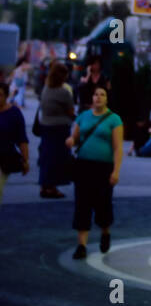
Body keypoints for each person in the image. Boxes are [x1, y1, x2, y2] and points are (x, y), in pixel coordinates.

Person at [67, 84, 123, 260]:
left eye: (102, 94)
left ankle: (105, 231)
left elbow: (118, 147)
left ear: (107, 98)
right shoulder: (83, 117)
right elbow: (75, 138)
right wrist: (70, 140)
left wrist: (116, 171)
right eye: (96, 94)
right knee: (82, 204)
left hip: (103, 168)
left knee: (103, 203)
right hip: (84, 166)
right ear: (92, 98)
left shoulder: (114, 119)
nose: (98, 97)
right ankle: (81, 245)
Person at [37, 60, 75, 198]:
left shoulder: (45, 89)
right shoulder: (64, 92)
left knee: (46, 157)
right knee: (58, 159)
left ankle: (44, 185)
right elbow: (70, 111)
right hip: (60, 128)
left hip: (46, 126)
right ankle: (53, 187)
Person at [0, 80, 29, 203]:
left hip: (3, 159)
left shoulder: (14, 113)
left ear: (6, 96)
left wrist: (25, 160)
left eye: (0, 95)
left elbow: (22, 139)